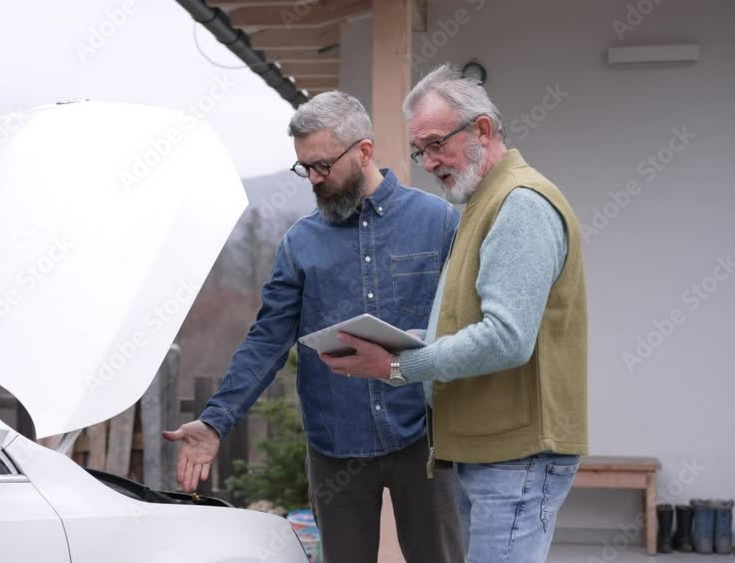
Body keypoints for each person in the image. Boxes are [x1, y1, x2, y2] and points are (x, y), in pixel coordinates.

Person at [163, 91, 463, 563]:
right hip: (336, 443)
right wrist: (216, 421)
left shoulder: (439, 222)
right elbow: (266, 341)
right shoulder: (299, 243)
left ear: (363, 152)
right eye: (305, 169)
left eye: (323, 166)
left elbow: (462, 325)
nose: (315, 180)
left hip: (423, 439)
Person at [321, 64, 588, 563]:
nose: (428, 161)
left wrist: (398, 365)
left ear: (481, 130)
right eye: (421, 151)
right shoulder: (482, 204)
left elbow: (506, 338)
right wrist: (397, 344)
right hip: (490, 455)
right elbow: (466, 328)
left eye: (436, 144)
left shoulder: (520, 205)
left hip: (516, 459)